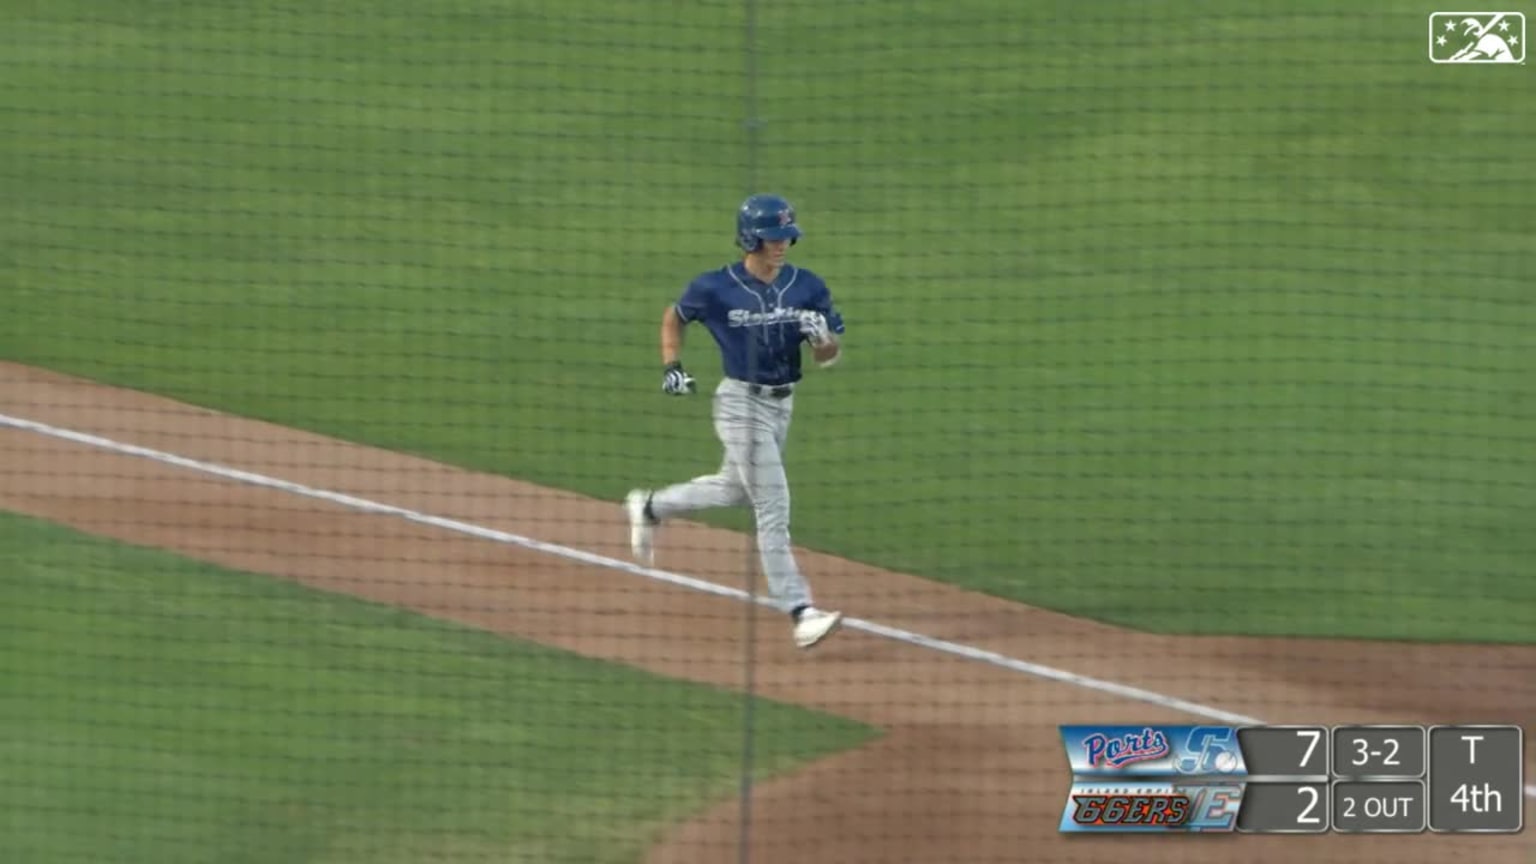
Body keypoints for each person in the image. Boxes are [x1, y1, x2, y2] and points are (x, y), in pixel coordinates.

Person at [624, 193, 846, 650]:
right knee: (772, 505)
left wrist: (823, 340)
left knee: (735, 489)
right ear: (751, 238)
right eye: (772, 238)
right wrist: (673, 366)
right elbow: (675, 317)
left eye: (786, 237)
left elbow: (829, 356)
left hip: (782, 405)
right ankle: (800, 611)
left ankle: (650, 506)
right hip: (739, 405)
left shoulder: (807, 287)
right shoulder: (715, 288)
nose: (781, 245)